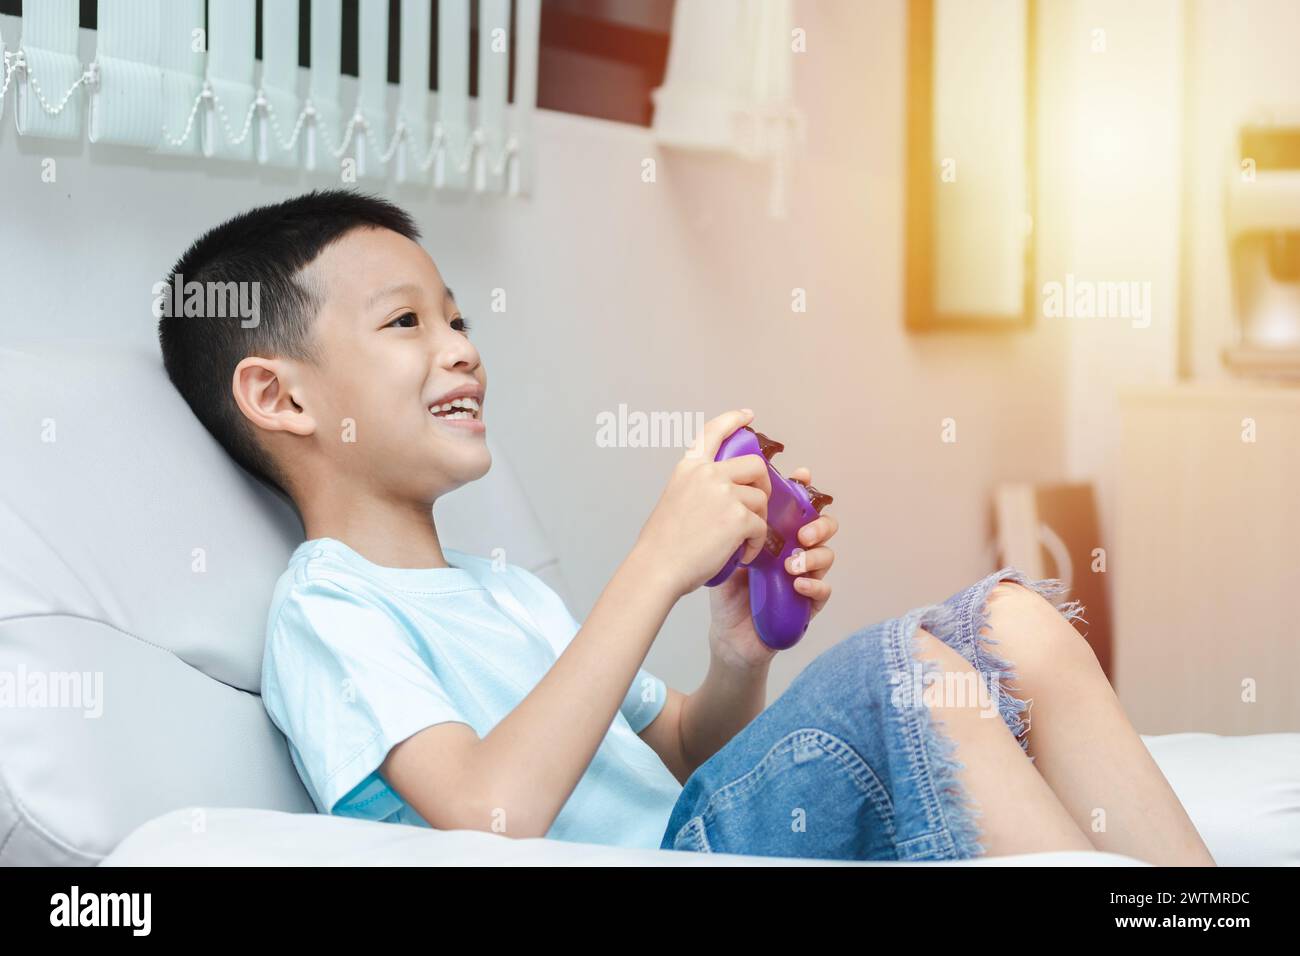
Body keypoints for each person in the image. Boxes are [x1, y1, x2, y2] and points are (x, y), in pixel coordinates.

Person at [157, 189, 1215, 865]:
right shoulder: (330, 604)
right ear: (281, 398)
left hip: (698, 826)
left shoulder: (501, 587)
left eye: (459, 318)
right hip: (670, 855)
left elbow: (674, 753)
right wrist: (654, 563)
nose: (463, 348)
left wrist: (735, 652)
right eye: (406, 322)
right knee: (908, 677)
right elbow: (487, 816)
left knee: (1014, 623)